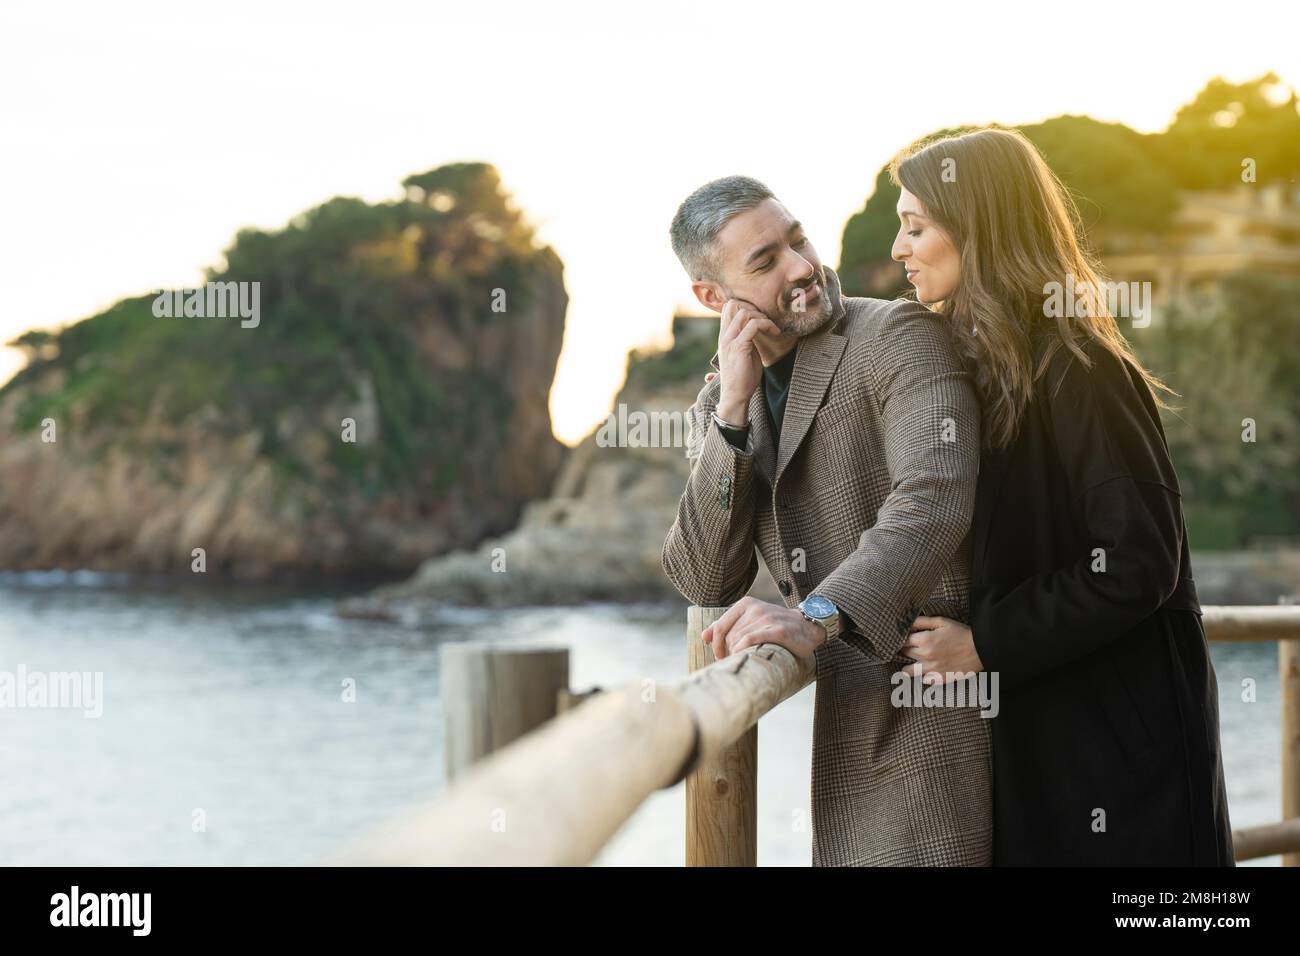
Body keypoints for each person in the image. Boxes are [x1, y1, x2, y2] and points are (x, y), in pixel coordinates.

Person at [888, 128, 1234, 865]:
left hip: (1123, 747)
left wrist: (985, 641)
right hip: (1049, 733)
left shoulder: (1082, 368)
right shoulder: (985, 369)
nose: (898, 249)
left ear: (977, 226)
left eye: (916, 226)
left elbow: (1139, 561)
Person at [661, 175, 991, 866]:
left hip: (940, 725)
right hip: (848, 734)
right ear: (712, 298)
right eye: (765, 262)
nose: (803, 268)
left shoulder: (898, 334)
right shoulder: (725, 398)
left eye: (797, 239)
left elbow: (931, 499)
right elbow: (702, 575)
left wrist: (811, 617)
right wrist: (731, 413)